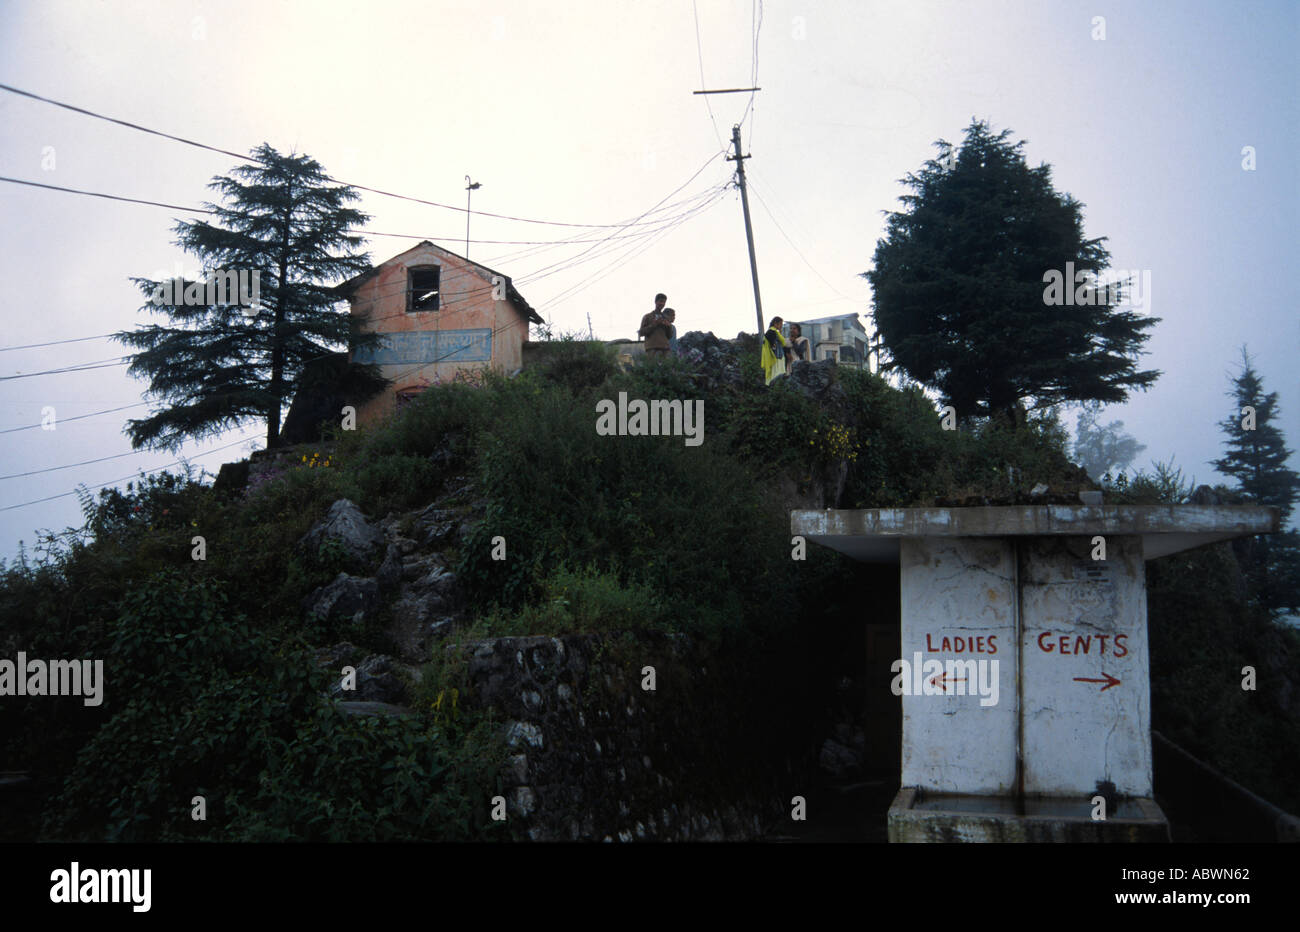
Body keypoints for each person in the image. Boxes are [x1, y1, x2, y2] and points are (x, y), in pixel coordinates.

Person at [639, 293, 672, 357]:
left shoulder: (666, 317)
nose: (662, 304)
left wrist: (669, 326)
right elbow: (641, 332)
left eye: (664, 302)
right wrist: (654, 324)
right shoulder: (648, 316)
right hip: (652, 349)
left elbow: (669, 336)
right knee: (652, 366)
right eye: (660, 301)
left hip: (665, 349)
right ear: (655, 302)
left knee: (666, 366)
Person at [760, 316, 788, 385]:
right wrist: (774, 346)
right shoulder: (772, 332)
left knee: (775, 374)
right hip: (776, 357)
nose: (781, 326)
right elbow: (775, 344)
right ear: (776, 323)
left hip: (776, 356)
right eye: (780, 324)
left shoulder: (772, 332)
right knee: (777, 374)